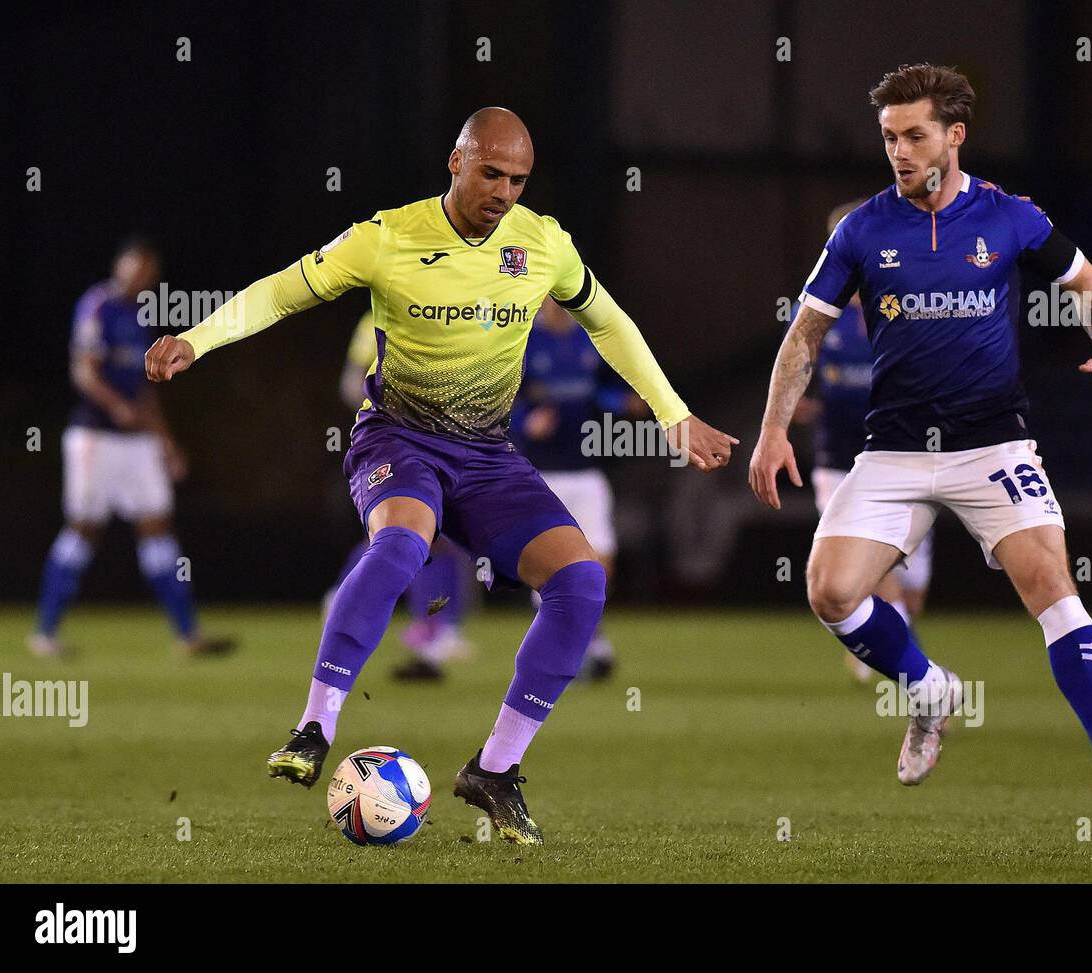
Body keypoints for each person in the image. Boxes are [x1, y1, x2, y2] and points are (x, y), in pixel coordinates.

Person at [145, 107, 737, 843]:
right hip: (398, 438)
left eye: (518, 179)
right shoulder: (387, 236)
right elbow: (282, 291)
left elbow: (609, 320)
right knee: (400, 547)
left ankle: (494, 770)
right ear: (456, 163)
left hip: (488, 455)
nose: (505, 192)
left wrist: (673, 414)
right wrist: (197, 340)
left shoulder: (542, 243)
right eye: (492, 173)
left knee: (583, 583)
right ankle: (312, 727)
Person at [748, 65, 1092, 813]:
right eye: (888, 138)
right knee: (831, 591)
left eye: (914, 135)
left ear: (954, 135)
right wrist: (774, 428)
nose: (899, 152)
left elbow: (1088, 282)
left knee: (1052, 585)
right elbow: (805, 333)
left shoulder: (1010, 217)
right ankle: (931, 689)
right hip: (895, 447)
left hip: (992, 445)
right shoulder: (862, 229)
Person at [32, 238, 232, 658]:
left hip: (137, 442)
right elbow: (83, 372)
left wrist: (168, 444)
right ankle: (45, 633)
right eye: (136, 269)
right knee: (84, 529)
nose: (142, 278)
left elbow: (147, 391)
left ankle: (188, 635)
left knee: (158, 528)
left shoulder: (139, 317)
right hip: (95, 437)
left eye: (148, 273)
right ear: (119, 266)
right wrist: (116, 406)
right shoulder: (98, 305)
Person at [794, 201, 935, 682]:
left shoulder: (904, 302)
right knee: (880, 574)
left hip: (905, 457)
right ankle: (924, 685)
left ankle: (877, 648)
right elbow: (796, 371)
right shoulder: (816, 311)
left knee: (913, 587)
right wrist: (794, 408)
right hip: (839, 463)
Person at [331, 311, 475, 682]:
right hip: (394, 439)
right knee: (414, 532)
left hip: (440, 437)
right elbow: (352, 381)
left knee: (429, 535)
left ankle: (432, 626)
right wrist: (381, 407)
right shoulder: (376, 319)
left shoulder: (453, 312)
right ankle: (428, 627)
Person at [510, 297, 649, 680]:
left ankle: (589, 639)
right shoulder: (521, 342)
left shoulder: (589, 340)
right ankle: (571, 650)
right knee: (550, 569)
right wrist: (525, 422)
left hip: (586, 470)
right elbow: (501, 401)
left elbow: (594, 391)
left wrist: (623, 402)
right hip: (539, 474)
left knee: (600, 563)